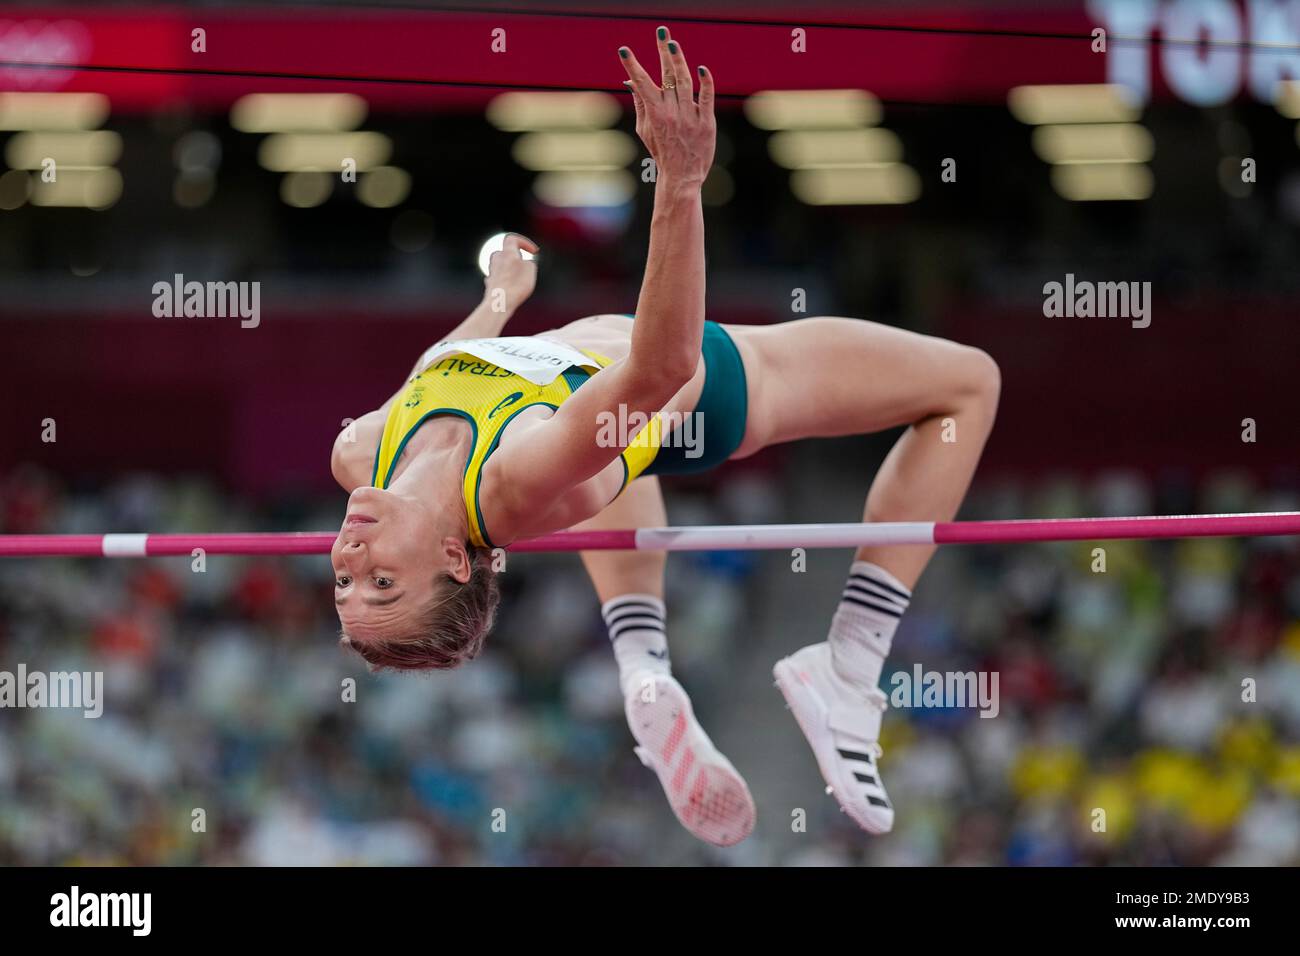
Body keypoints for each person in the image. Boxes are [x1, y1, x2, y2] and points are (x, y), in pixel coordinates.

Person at [329, 26, 1000, 841]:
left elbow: (439, 371)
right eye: (383, 587)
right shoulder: (510, 478)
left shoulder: (363, 451)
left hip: (602, 412)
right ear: (449, 558)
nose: (351, 567)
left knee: (597, 460)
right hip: (706, 384)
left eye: (346, 588)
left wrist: (502, 296)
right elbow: (663, 367)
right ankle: (852, 665)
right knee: (968, 383)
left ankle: (644, 666)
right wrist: (680, 184)